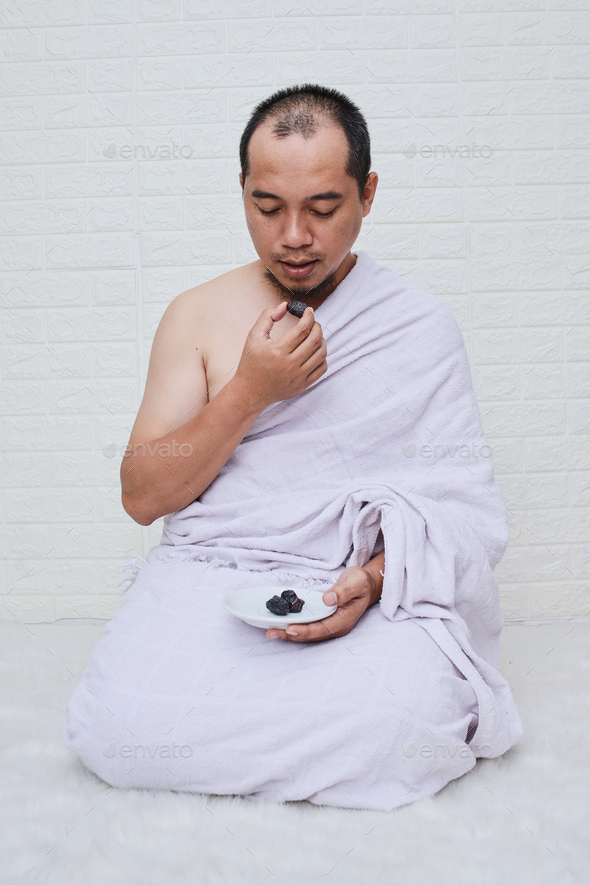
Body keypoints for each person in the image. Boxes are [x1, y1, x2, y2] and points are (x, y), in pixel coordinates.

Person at [63, 84, 522, 812]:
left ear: (367, 194)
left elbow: (463, 510)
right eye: (268, 206)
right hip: (214, 570)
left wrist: (366, 585)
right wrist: (249, 389)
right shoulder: (197, 315)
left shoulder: (418, 326)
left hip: (354, 585)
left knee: (403, 728)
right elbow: (144, 496)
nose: (293, 237)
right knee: (119, 724)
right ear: (242, 191)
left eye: (323, 208)